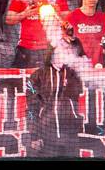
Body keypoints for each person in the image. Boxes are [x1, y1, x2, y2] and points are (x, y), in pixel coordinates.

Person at [25, 29, 85, 157]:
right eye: (63, 48)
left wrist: (73, 39)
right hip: (46, 136)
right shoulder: (37, 76)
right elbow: (31, 109)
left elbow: (82, 56)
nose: (67, 51)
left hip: (70, 136)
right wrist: (34, 136)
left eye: (69, 49)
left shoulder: (74, 73)